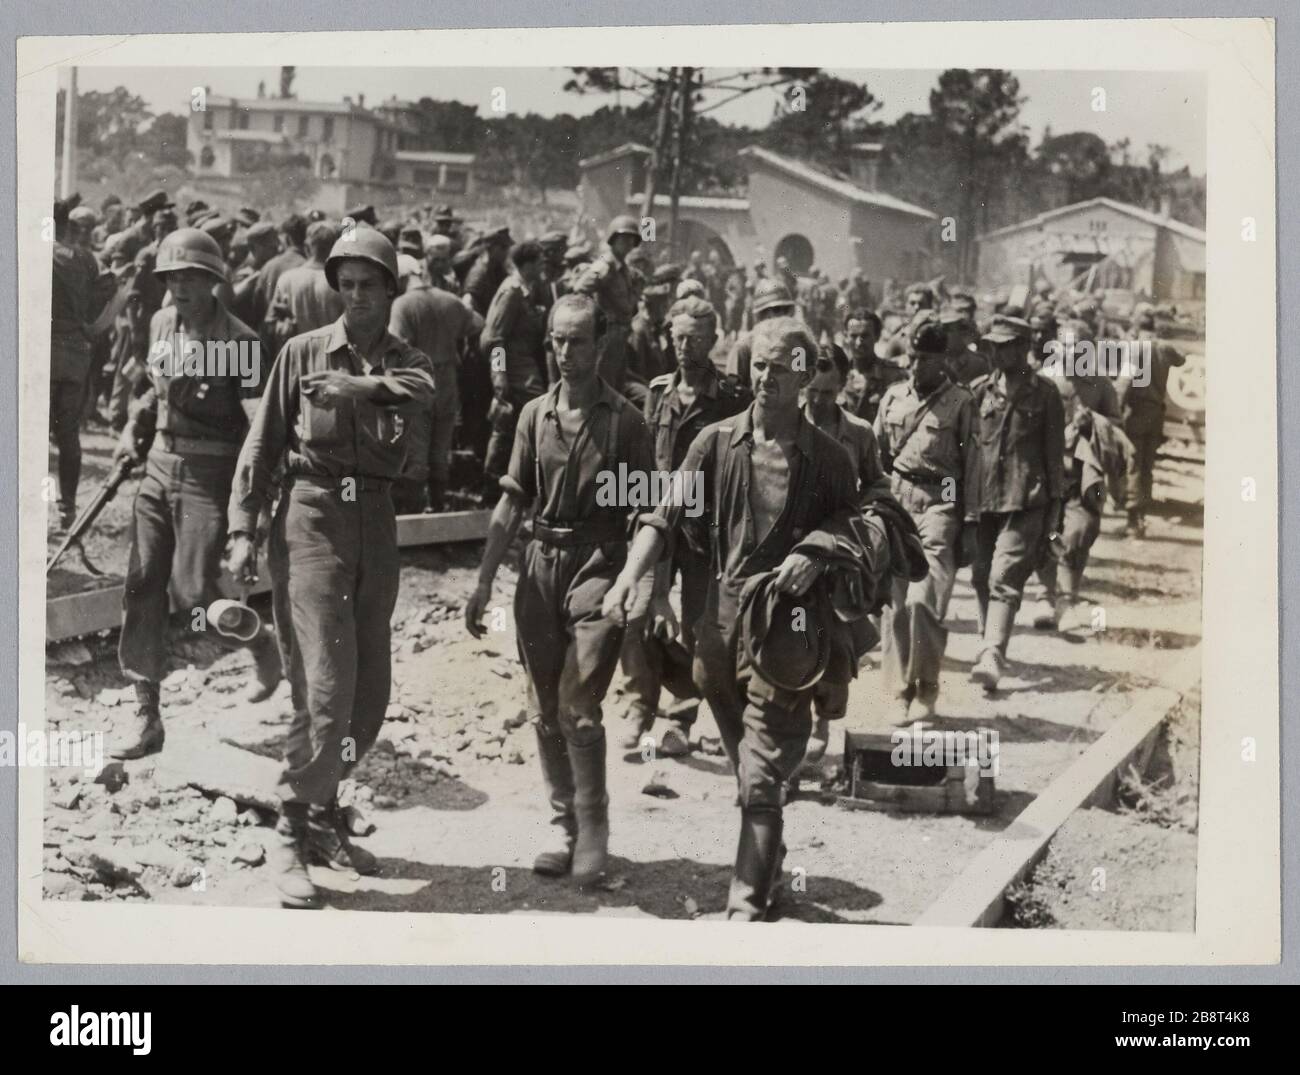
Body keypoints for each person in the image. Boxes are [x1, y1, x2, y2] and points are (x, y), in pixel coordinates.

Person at [604, 316, 885, 921]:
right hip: (720, 627)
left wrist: (819, 549)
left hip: (789, 632)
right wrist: (633, 577)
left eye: (779, 367)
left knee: (758, 776)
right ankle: (769, 850)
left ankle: (746, 905)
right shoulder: (714, 442)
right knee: (750, 767)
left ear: (805, 375)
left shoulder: (830, 458)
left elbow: (866, 520)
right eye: (758, 365)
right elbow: (665, 513)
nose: (764, 377)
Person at [227, 229, 435, 908]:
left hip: (376, 520)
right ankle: (290, 827)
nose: (354, 297)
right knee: (325, 686)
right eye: (344, 285)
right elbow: (261, 448)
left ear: (389, 290)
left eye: (367, 285)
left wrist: (359, 386)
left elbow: (422, 389)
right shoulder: (300, 353)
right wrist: (241, 530)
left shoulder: (405, 361)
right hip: (311, 518)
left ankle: (323, 812)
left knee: (368, 695)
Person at [466, 293, 654, 887]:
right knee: (543, 706)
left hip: (600, 563)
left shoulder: (625, 422)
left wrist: (635, 580)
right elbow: (512, 499)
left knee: (578, 703)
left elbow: (648, 514)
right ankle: (563, 825)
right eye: (556, 340)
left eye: (577, 341)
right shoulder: (532, 416)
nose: (564, 353)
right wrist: (484, 578)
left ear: (600, 346)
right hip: (540, 564)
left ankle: (594, 827)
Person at [111, 227, 283, 761]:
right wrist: (131, 429)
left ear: (214, 281)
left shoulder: (242, 342)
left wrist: (253, 509)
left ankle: (260, 643)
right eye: (172, 278)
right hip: (159, 466)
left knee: (198, 599)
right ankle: (147, 717)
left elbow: (257, 424)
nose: (180, 288)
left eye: (192, 278)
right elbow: (150, 386)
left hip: (211, 474)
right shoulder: (162, 323)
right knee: (141, 585)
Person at [617, 297, 748, 758]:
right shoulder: (658, 392)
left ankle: (681, 719)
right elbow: (647, 458)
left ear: (713, 339)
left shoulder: (732, 397)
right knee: (636, 613)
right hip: (658, 522)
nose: (684, 346)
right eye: (677, 337)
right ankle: (638, 707)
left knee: (697, 626)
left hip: (704, 529)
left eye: (693, 338)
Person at [874, 319, 978, 718]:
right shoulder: (893, 398)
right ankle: (901, 688)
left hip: (940, 499)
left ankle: (928, 685)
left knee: (924, 599)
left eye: (925, 360)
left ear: (943, 361)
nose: (916, 367)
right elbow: (879, 454)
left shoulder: (960, 403)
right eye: (912, 358)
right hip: (898, 499)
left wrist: (966, 522)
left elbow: (972, 465)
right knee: (895, 603)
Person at [967, 315, 1066, 691]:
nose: (998, 352)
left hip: (1027, 498)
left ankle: (993, 652)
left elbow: (1054, 455)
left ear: (1024, 348)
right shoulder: (980, 391)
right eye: (994, 345)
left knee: (1003, 578)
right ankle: (986, 640)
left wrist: (1055, 510)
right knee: (980, 576)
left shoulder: (1045, 394)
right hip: (984, 498)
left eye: (1006, 345)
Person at [389, 248, 484, 512]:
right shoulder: (450, 300)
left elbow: (397, 347)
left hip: (418, 380)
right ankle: (439, 505)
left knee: (417, 448)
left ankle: (415, 510)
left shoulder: (402, 305)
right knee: (441, 448)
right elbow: (477, 324)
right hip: (447, 379)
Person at [49, 196, 113, 527]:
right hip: (74, 355)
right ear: (70, 226)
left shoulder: (36, 253)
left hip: (42, 354)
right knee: (68, 435)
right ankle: (67, 508)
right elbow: (106, 294)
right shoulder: (86, 259)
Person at [480, 240, 549, 493]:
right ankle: (492, 481)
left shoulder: (527, 289)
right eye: (539, 261)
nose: (544, 265)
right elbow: (494, 338)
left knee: (517, 421)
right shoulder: (511, 292)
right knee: (511, 418)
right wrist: (499, 376)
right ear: (527, 264)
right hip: (514, 366)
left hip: (524, 363)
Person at [1115, 309, 1186, 536]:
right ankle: (1142, 516)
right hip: (1156, 414)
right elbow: (1182, 358)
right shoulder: (1164, 348)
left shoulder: (1135, 350)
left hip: (1136, 414)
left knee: (1133, 466)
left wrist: (1115, 411)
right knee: (1147, 467)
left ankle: (1133, 521)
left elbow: (1124, 384)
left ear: (1136, 328)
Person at [571, 215, 644, 398]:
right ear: (613, 239)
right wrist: (596, 320)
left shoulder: (623, 269)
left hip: (621, 335)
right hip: (608, 334)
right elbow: (580, 288)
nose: (628, 243)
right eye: (623, 238)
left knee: (615, 388)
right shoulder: (606, 265)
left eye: (631, 239)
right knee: (602, 387)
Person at [265, 221, 345, 355]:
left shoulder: (287, 279)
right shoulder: (340, 282)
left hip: (296, 356)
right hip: (332, 359)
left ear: (307, 247)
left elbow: (270, 325)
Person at [726, 279, 796, 388]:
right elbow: (731, 391)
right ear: (761, 315)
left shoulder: (796, 346)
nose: (782, 315)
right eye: (776, 310)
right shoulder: (743, 348)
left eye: (785, 309)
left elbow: (801, 385)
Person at [840, 308, 903, 423]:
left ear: (877, 336)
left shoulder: (893, 376)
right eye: (853, 336)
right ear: (846, 337)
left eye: (865, 336)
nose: (859, 343)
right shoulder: (837, 375)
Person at [463, 226, 513, 316]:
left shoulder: (498, 269)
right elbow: (467, 302)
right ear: (490, 248)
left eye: (507, 248)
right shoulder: (479, 273)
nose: (506, 252)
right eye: (503, 247)